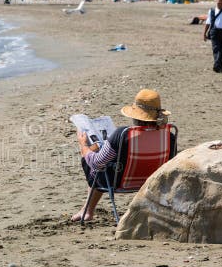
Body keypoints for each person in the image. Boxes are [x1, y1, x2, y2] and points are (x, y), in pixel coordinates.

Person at [72, 89, 172, 222]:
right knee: (103, 158)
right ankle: (87, 210)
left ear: (135, 115)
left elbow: (96, 163)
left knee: (93, 161)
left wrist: (84, 146)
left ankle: (88, 211)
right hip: (154, 181)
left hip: (119, 181)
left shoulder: (123, 135)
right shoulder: (169, 136)